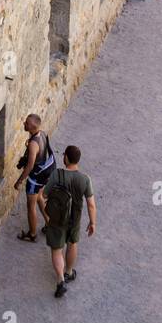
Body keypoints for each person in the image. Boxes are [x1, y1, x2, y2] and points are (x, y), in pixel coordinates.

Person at [40, 144, 96, 298]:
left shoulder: (56, 175)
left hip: (57, 218)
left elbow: (43, 196)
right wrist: (92, 223)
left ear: (66, 158)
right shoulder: (85, 179)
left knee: (57, 250)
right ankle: (69, 272)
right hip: (75, 218)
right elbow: (91, 204)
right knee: (72, 243)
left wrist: (48, 213)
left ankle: (60, 281)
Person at [14, 114, 56, 242]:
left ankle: (32, 234)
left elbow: (30, 165)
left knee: (31, 206)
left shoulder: (33, 144)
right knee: (39, 198)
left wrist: (19, 180)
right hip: (46, 173)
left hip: (36, 178)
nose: (24, 124)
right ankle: (50, 224)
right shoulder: (42, 134)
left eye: (26, 123)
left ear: (32, 127)